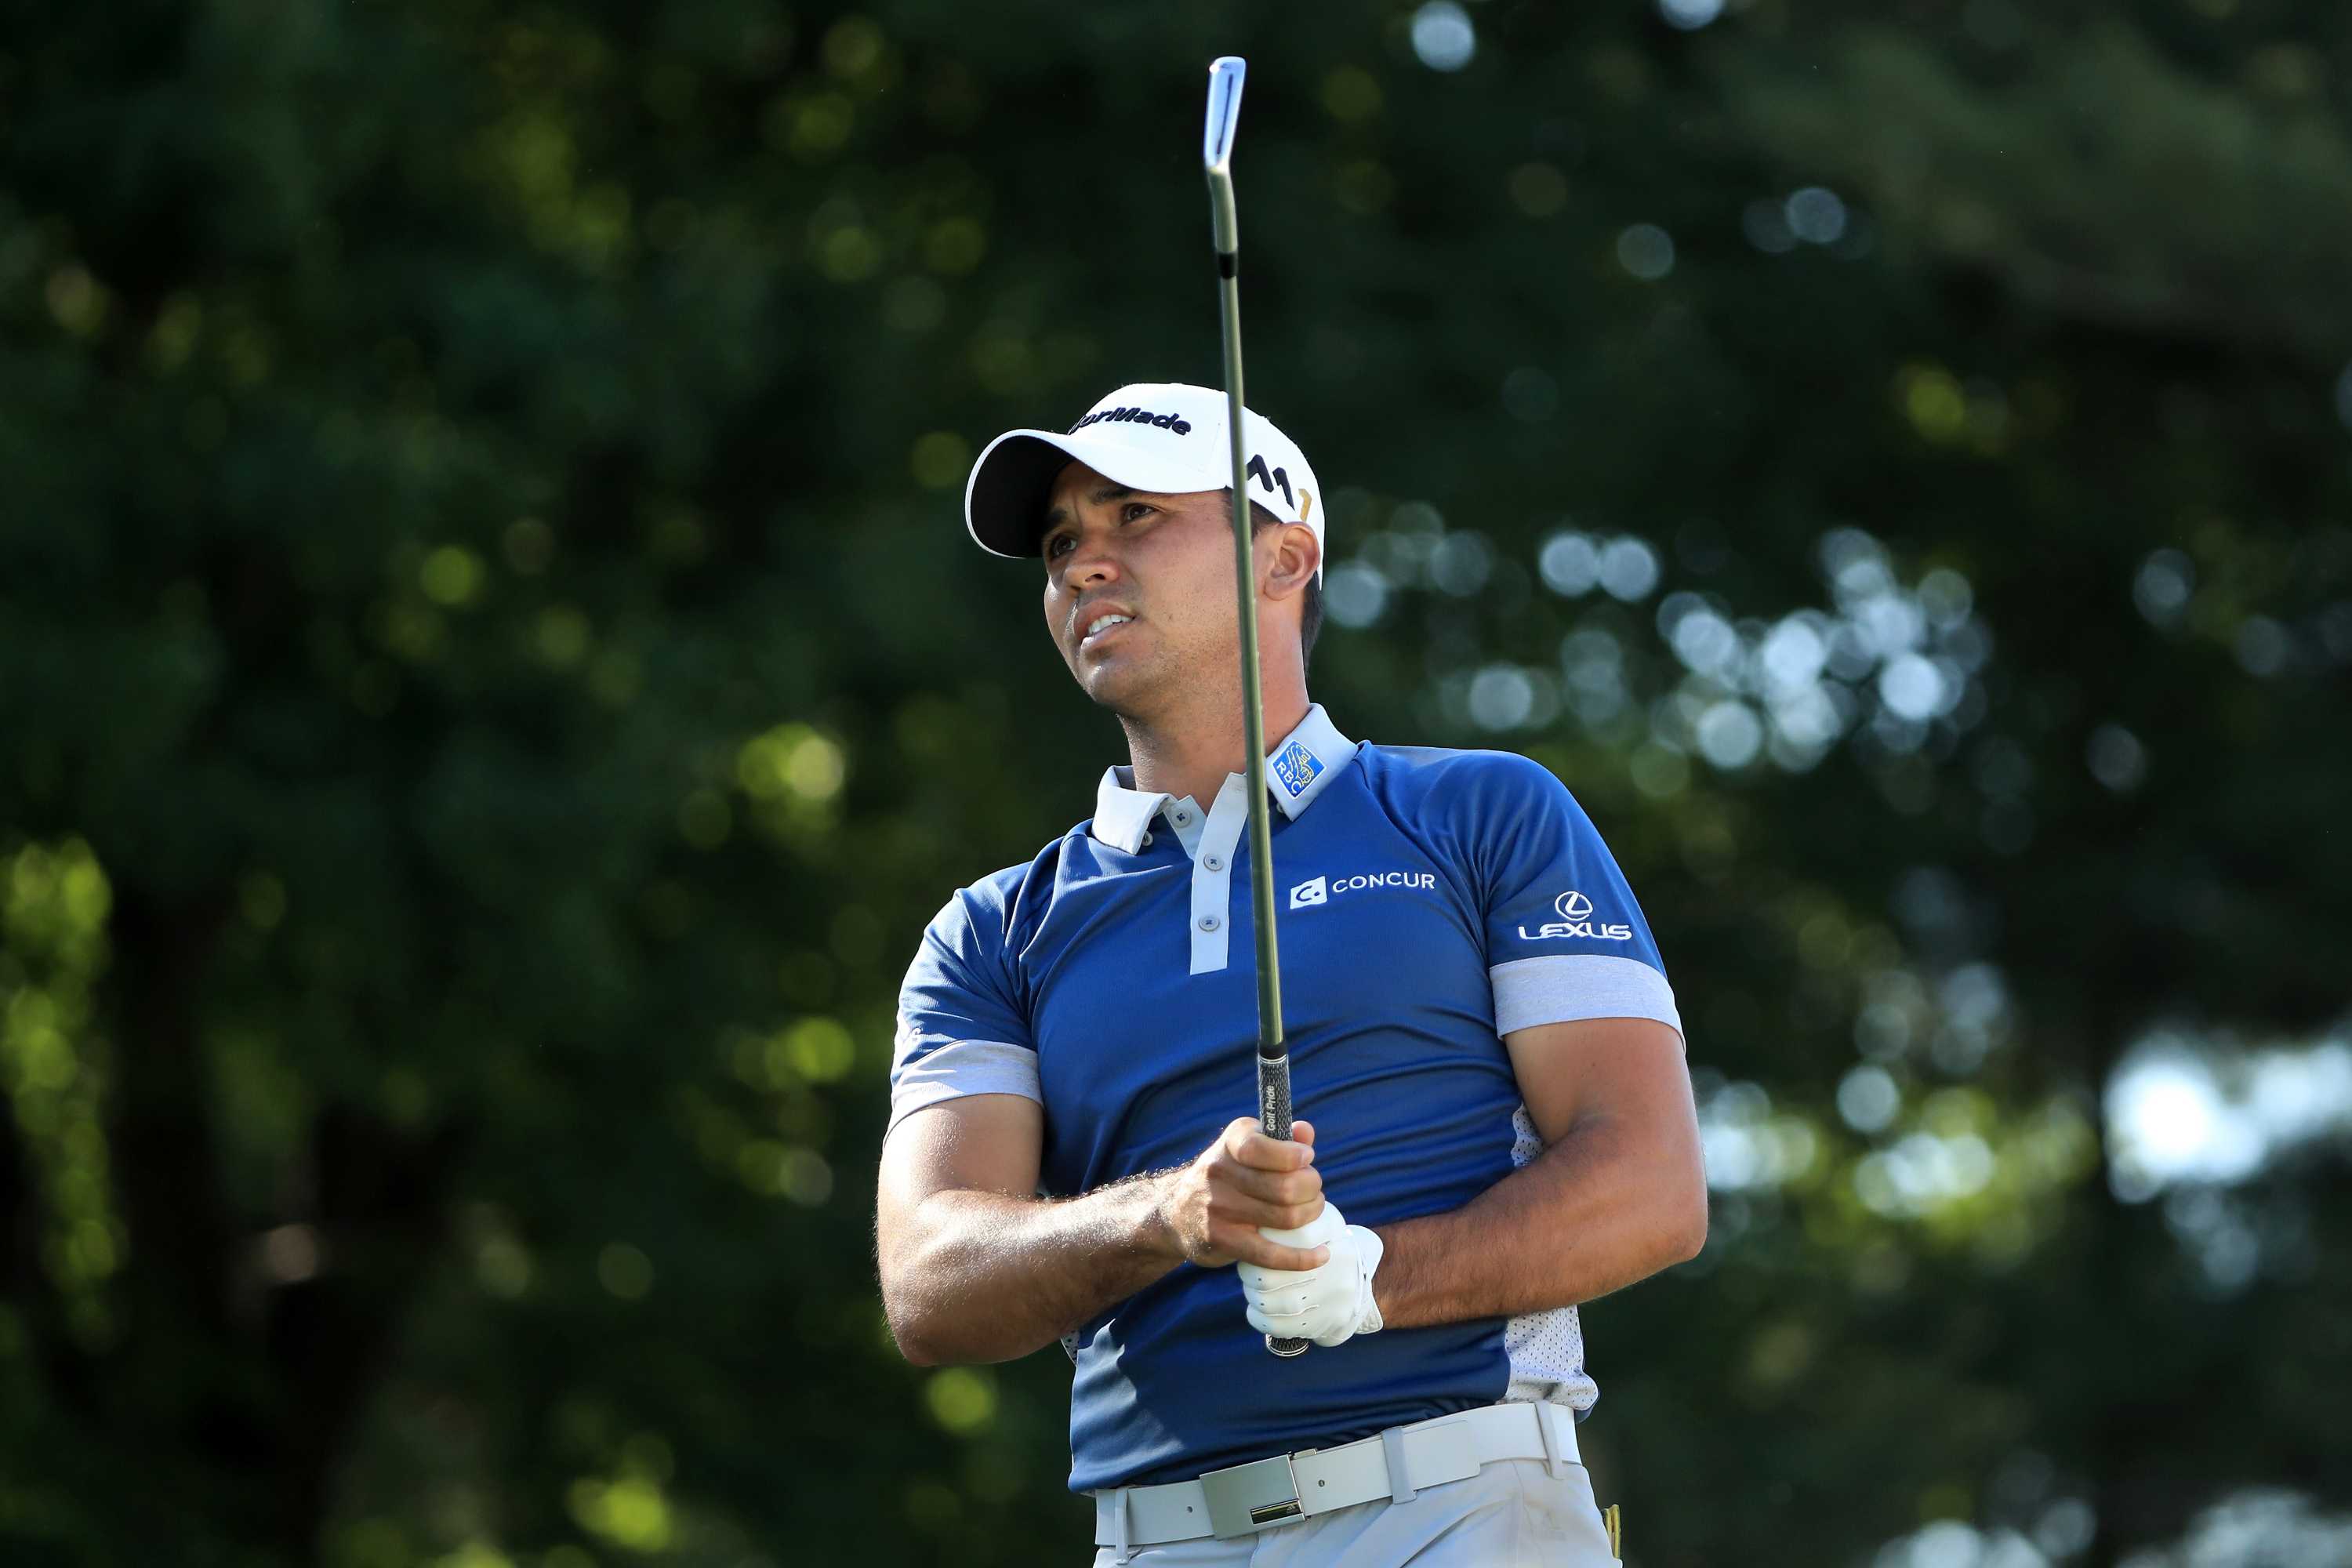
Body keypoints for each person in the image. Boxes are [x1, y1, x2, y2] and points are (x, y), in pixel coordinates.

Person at [876, 381, 1706, 1566]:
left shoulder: (1478, 815)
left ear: (1285, 559)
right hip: (1154, 1543)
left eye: (1135, 520)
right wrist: (1169, 1216)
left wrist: (1375, 1280)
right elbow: (931, 1284)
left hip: (1462, 1507)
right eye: (1062, 545)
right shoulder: (993, 930)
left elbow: (1652, 1188)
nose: (1082, 568)